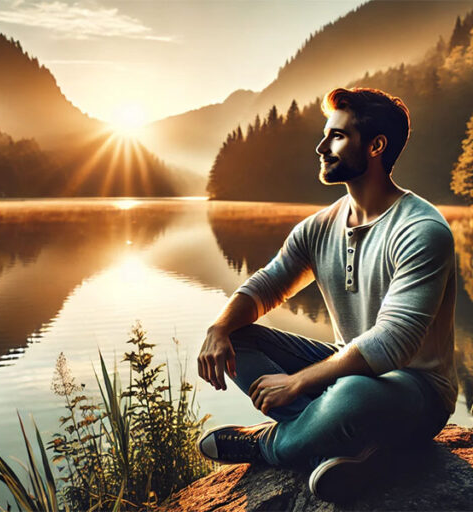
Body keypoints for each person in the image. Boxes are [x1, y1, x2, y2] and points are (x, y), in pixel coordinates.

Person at [195, 87, 458, 503]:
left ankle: (267, 444)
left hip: (416, 390)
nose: (321, 146)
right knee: (239, 339)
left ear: (376, 146)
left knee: (352, 395)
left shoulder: (422, 230)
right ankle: (355, 448)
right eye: (325, 134)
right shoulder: (319, 226)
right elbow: (267, 285)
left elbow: (394, 342)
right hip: (346, 371)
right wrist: (219, 327)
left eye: (336, 136)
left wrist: (298, 382)